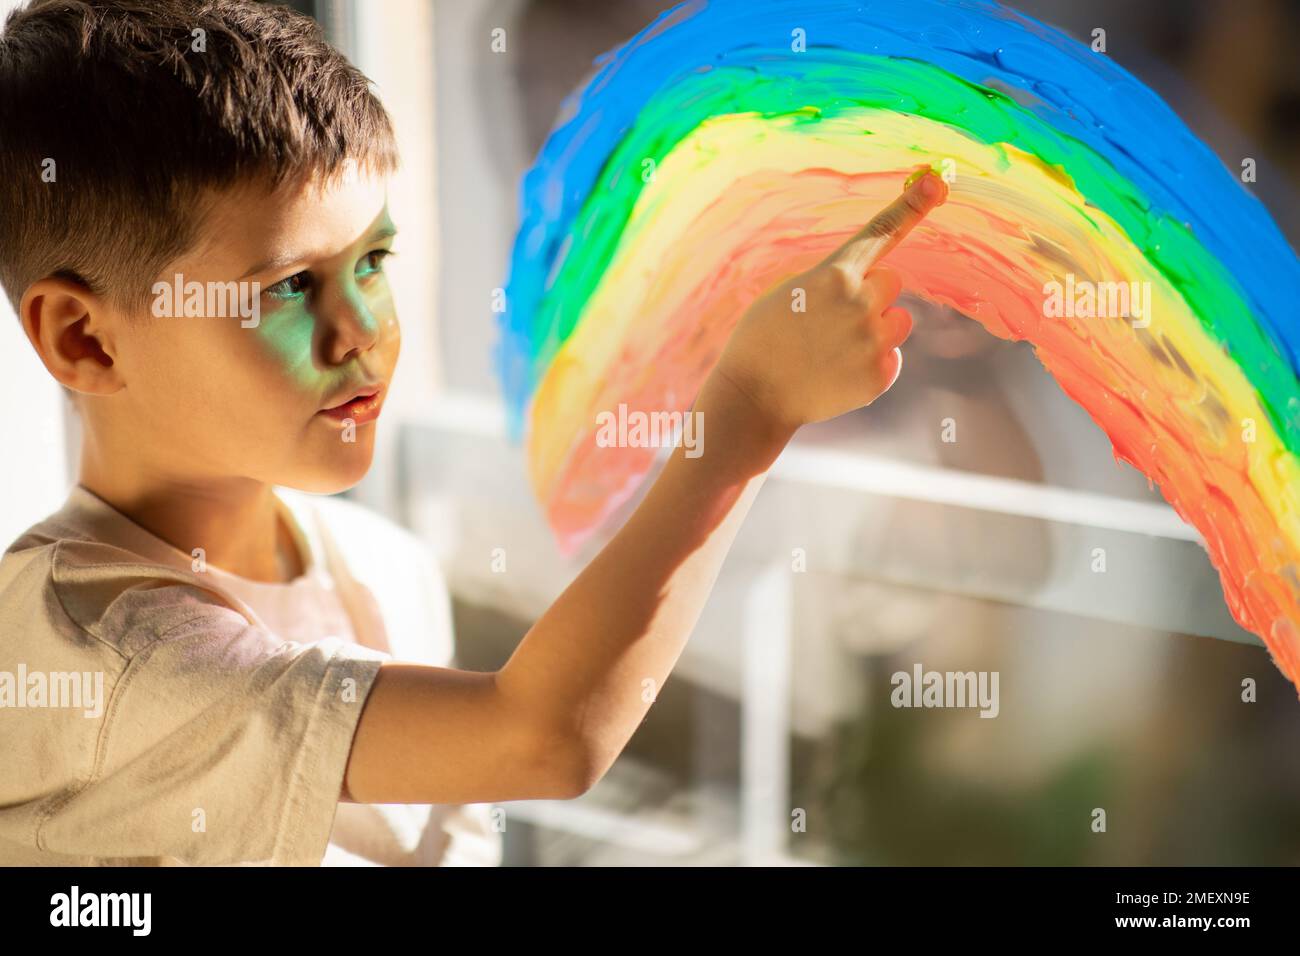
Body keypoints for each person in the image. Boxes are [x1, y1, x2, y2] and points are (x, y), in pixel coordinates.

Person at [0, 0, 943, 865]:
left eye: (373, 261)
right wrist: (750, 408)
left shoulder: (382, 567)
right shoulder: (90, 653)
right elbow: (542, 736)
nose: (361, 331)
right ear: (83, 338)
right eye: (288, 287)